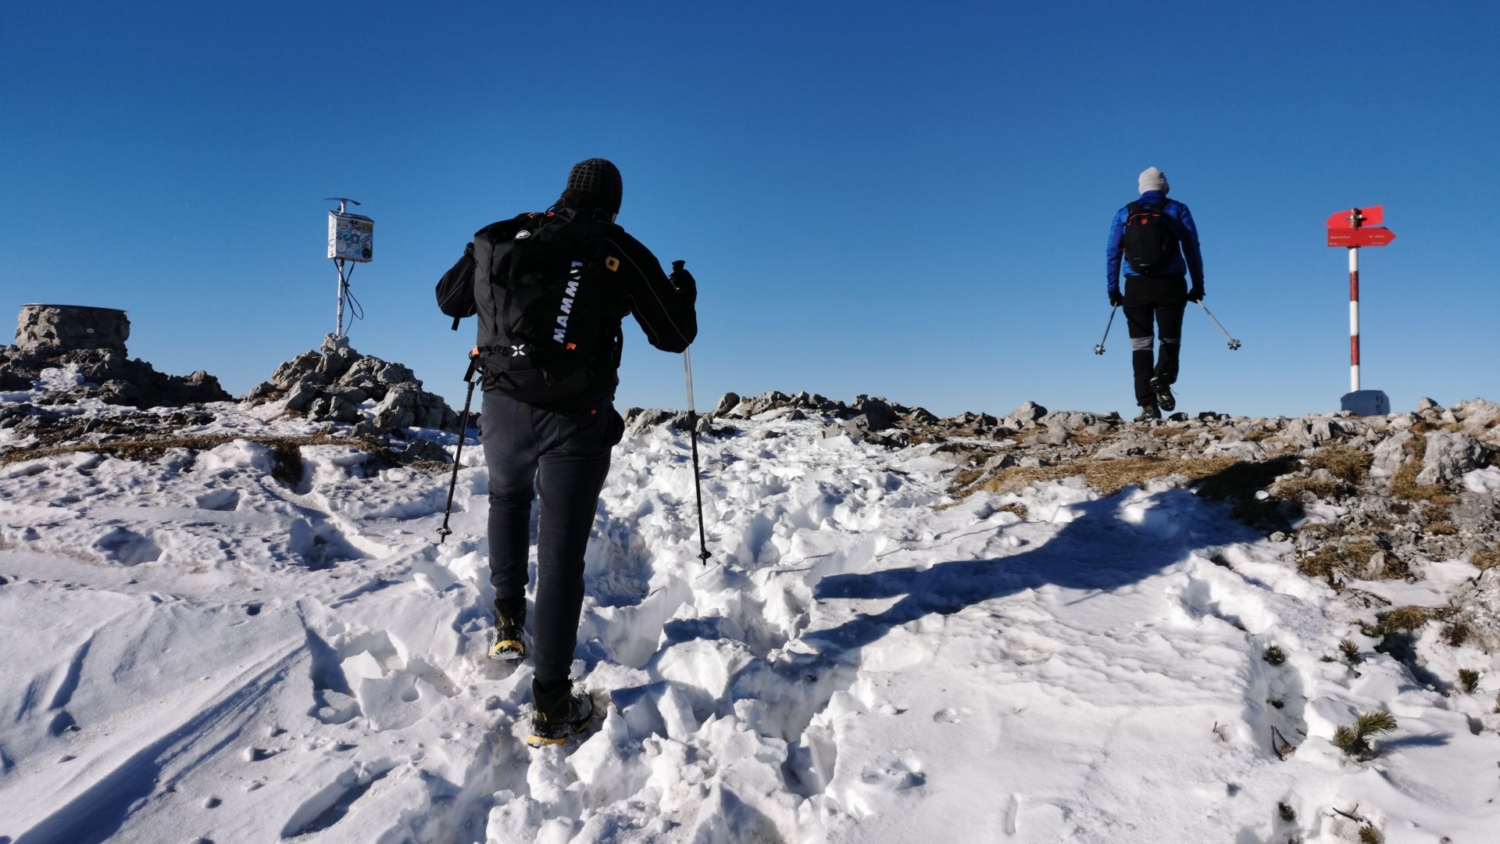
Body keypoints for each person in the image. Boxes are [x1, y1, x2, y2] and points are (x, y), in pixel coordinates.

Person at [435, 158, 698, 746]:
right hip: (575, 421)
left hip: (501, 406)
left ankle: (508, 624)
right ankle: (552, 706)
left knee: (506, 500)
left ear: (565, 190)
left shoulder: (505, 233)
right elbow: (673, 335)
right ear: (614, 201)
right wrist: (686, 294)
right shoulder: (618, 247)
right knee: (560, 557)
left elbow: (448, 299)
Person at [1105, 166, 1205, 421]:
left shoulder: (1124, 212)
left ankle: (1147, 405)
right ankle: (1162, 377)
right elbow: (1192, 247)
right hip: (1171, 283)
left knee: (1141, 345)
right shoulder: (1177, 209)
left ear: (1141, 187)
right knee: (1169, 339)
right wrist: (1198, 284)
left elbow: (1113, 252)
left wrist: (1113, 289)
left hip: (1136, 285)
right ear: (1165, 186)